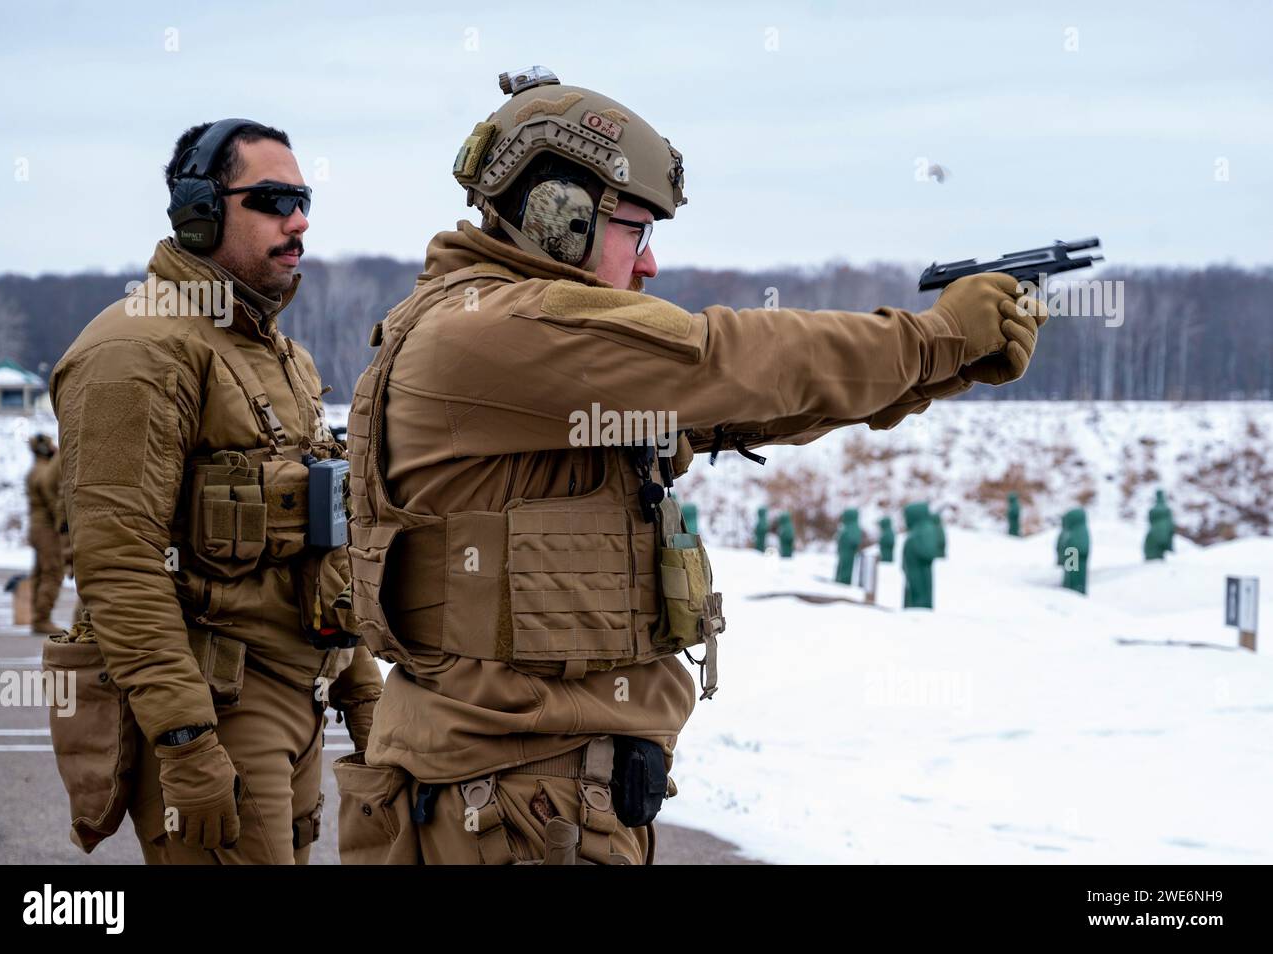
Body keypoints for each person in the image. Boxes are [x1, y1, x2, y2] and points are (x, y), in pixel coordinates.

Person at [338, 67, 1046, 865]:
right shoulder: (495, 329)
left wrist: (939, 369)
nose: (648, 265)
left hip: (524, 798)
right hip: (516, 806)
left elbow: (739, 408)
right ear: (558, 216)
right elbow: (724, 362)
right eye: (635, 230)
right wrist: (931, 338)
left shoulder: (506, 338)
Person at [49, 119, 381, 864]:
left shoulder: (283, 357)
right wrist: (187, 741)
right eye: (272, 200)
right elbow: (119, 567)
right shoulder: (136, 351)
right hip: (219, 711)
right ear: (198, 213)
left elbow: (323, 541)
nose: (298, 222)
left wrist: (361, 688)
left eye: (303, 200)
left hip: (298, 701)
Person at [24, 433, 64, 633]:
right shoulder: (44, 471)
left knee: (40, 573)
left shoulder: (35, 469)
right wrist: (64, 522)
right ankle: (42, 618)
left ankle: (37, 617)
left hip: (37, 527)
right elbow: (52, 500)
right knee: (53, 572)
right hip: (46, 528)